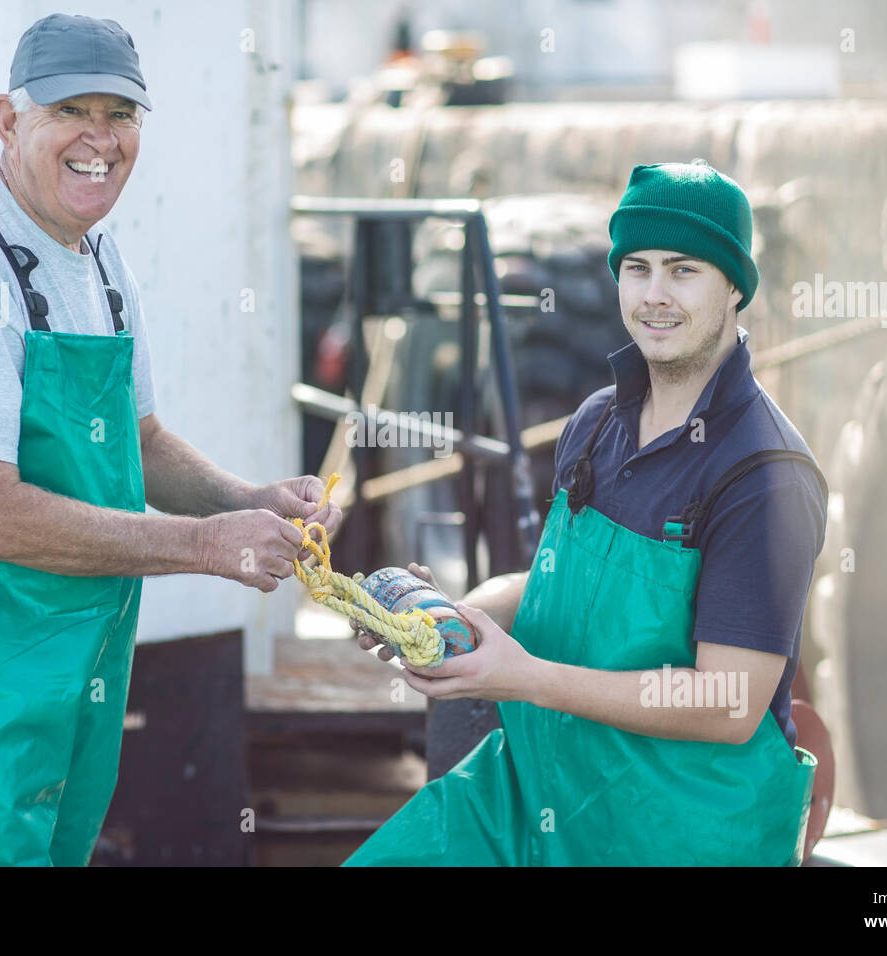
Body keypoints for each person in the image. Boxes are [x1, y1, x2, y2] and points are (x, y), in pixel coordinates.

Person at [0, 13, 341, 866]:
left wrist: (249, 500)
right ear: (8, 120)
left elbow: (137, 442)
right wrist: (210, 544)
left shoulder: (99, 262)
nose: (100, 140)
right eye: (72, 110)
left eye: (122, 114)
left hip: (68, 664)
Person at [350, 160, 827, 866]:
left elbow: (729, 704)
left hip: (675, 832)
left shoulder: (765, 474)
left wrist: (520, 677)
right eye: (636, 268)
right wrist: (450, 617)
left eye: (683, 270)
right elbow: (560, 585)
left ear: (734, 286)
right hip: (532, 792)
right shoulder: (597, 422)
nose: (654, 296)